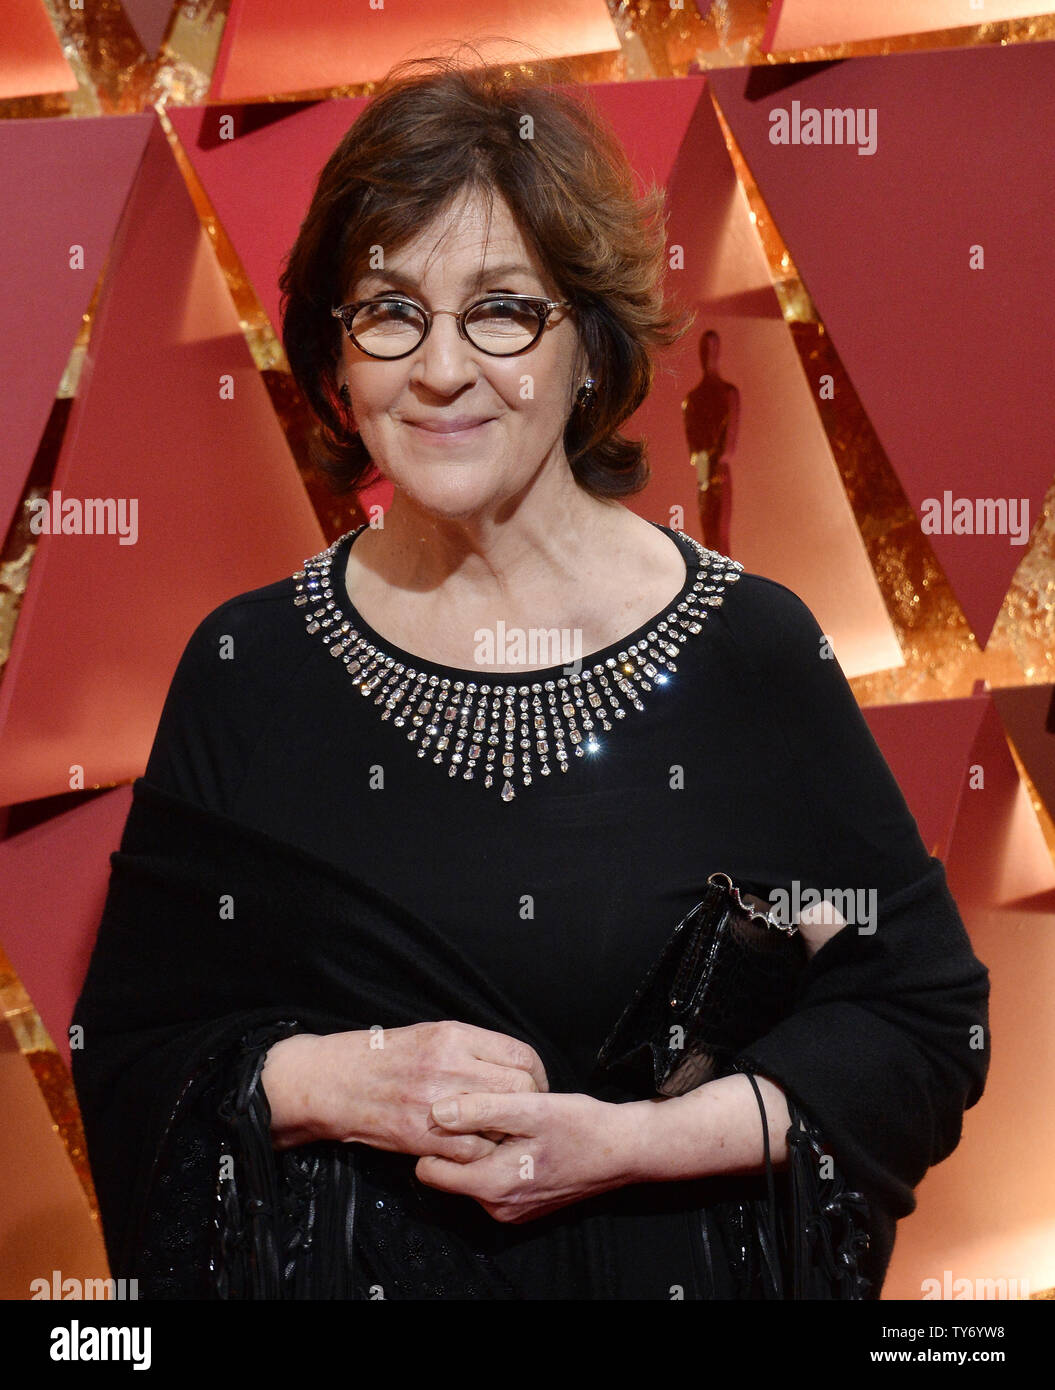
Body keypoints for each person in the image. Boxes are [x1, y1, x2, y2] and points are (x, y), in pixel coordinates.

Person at [71, 56, 990, 1301]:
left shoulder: (746, 654)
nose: (440, 368)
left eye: (500, 308)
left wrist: (633, 1146)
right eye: (389, 310)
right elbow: (131, 1057)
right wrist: (343, 1083)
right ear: (337, 359)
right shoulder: (248, 668)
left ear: (587, 345)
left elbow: (917, 1016)